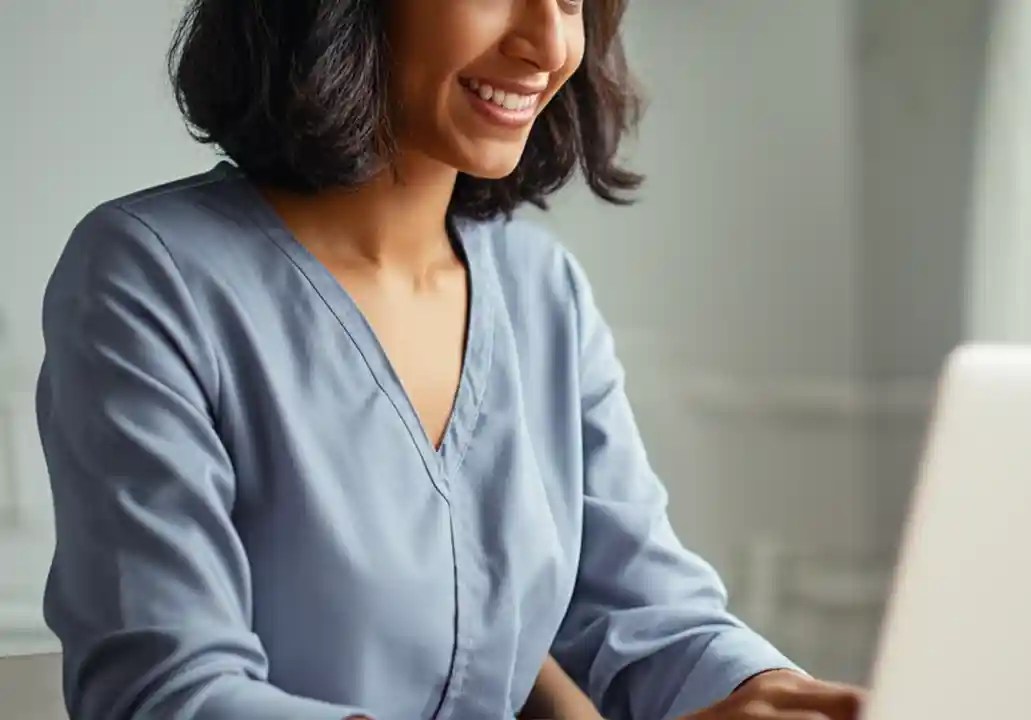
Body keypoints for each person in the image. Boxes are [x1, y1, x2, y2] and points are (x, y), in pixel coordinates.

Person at [36, 0, 864, 718]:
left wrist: (781, 696)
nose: (547, 45)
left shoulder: (542, 290)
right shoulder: (153, 273)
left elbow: (644, 610)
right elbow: (168, 694)